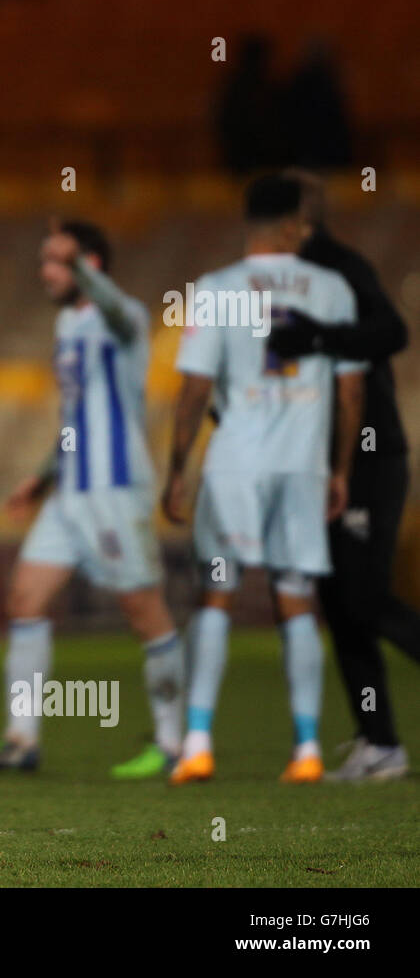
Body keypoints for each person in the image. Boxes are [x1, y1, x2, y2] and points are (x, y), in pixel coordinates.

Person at [0, 221, 185, 779]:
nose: (45, 272)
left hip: (115, 489)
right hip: (70, 490)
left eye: (56, 261)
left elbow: (114, 311)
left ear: (90, 264)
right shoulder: (66, 323)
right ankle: (20, 740)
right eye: (47, 261)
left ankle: (176, 743)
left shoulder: (123, 317)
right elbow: (77, 416)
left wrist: (77, 262)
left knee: (143, 610)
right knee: (25, 599)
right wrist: (40, 476)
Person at [164, 173, 364, 785]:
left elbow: (196, 388)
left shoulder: (219, 288)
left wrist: (178, 469)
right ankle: (306, 751)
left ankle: (197, 742)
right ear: (288, 225)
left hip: (236, 465)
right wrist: (340, 469)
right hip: (301, 465)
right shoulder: (332, 289)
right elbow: (350, 390)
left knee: (216, 594)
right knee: (296, 599)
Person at [266, 169, 415, 780]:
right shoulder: (280, 278)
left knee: (363, 596)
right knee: (343, 603)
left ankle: (379, 740)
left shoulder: (336, 266)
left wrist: (320, 335)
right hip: (320, 461)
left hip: (368, 460)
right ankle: (378, 742)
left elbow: (392, 331)